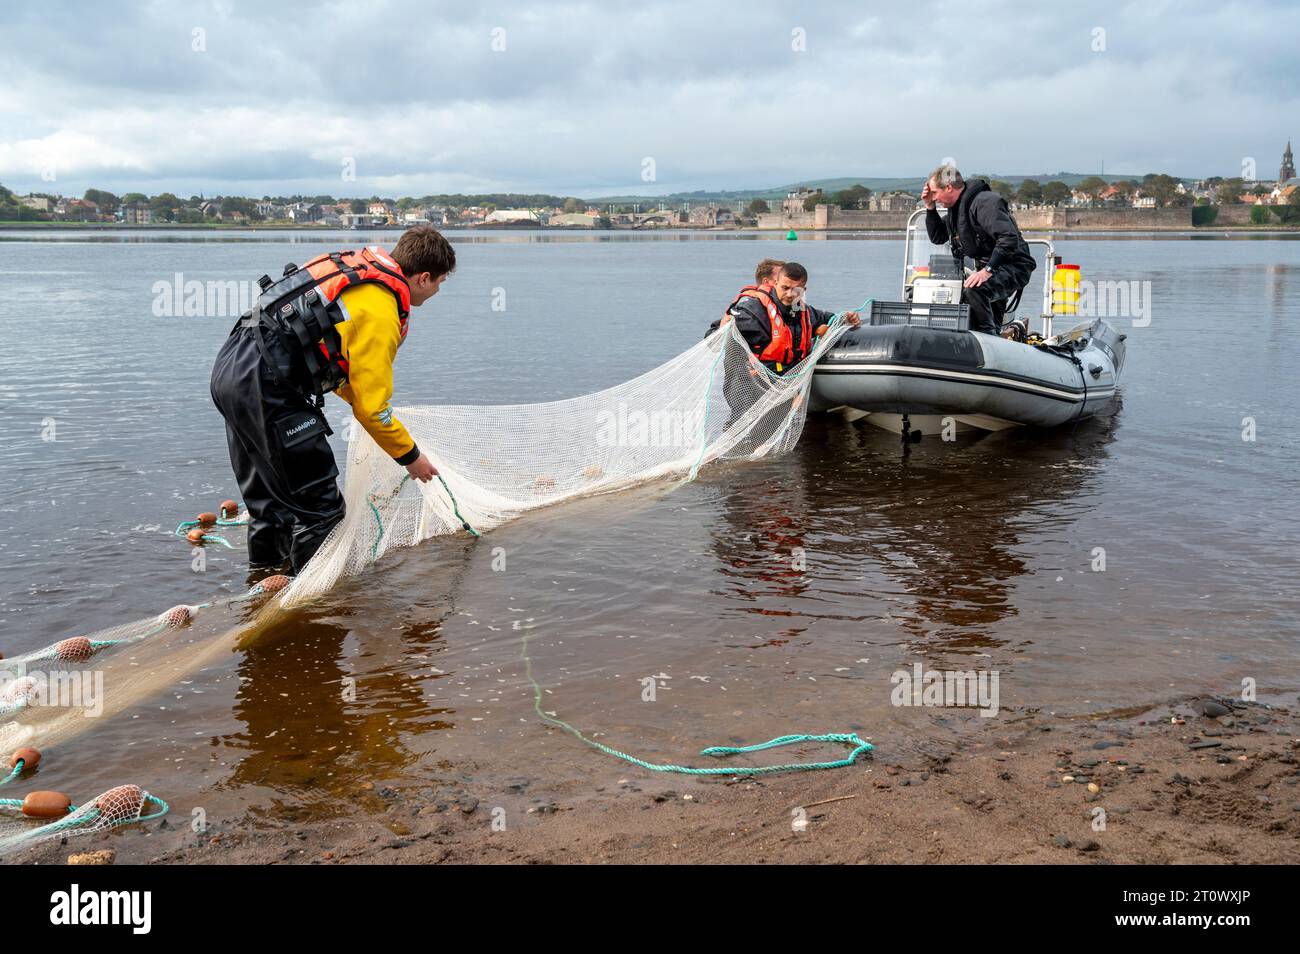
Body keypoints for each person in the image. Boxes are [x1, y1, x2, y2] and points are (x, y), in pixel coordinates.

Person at [210, 226, 455, 575]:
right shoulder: (382, 310)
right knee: (322, 511)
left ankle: (263, 587)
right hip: (271, 387)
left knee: (269, 504)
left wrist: (369, 410)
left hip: (232, 368)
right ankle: (306, 607)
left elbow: (339, 370)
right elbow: (372, 409)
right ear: (424, 277)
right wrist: (411, 458)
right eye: (440, 283)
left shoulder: (354, 273)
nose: (437, 291)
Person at [921, 162, 1036, 335]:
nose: (934, 197)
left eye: (935, 193)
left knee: (975, 290)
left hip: (1013, 265)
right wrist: (930, 206)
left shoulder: (984, 203)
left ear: (949, 187)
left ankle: (987, 342)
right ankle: (993, 337)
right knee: (977, 299)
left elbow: (1008, 238)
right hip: (989, 268)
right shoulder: (957, 211)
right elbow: (937, 237)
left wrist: (988, 270)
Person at [722, 261, 859, 373]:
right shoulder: (753, 310)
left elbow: (827, 318)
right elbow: (715, 337)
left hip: (787, 382)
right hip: (751, 384)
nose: (790, 294)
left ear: (804, 290)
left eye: (796, 290)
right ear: (775, 284)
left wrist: (846, 318)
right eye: (785, 288)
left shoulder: (804, 311)